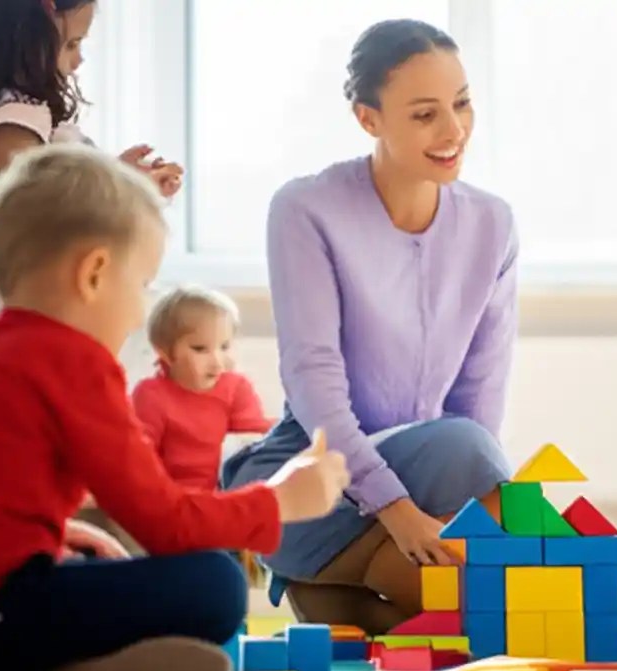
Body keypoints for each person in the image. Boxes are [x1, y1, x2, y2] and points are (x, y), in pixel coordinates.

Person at [0, 144, 349, 671]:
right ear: (95, 273)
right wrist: (277, 501)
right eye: (142, 285)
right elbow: (165, 524)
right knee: (215, 584)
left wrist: (56, 538)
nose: (139, 314)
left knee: (98, 564)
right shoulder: (74, 363)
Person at [221, 18, 516, 633]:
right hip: (310, 472)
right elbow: (315, 387)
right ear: (368, 119)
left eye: (462, 103)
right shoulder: (306, 209)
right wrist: (400, 513)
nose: (454, 130)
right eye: (425, 114)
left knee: (474, 470)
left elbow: (479, 398)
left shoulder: (492, 224)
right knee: (461, 466)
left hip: (431, 466)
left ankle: (330, 590)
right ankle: (332, 579)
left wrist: (455, 510)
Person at [0, 0, 183, 343]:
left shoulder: (37, 118)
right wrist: (123, 186)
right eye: (71, 44)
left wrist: (120, 176)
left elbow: (65, 187)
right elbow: (52, 206)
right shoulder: (9, 124)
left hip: (47, 293)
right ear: (21, 43)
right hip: (21, 302)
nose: (79, 59)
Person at [133, 285, 273, 491]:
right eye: (200, 349)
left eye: (224, 346)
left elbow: (254, 439)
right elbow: (139, 458)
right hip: (173, 495)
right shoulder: (150, 395)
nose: (217, 362)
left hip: (226, 490)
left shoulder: (236, 387)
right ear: (164, 353)